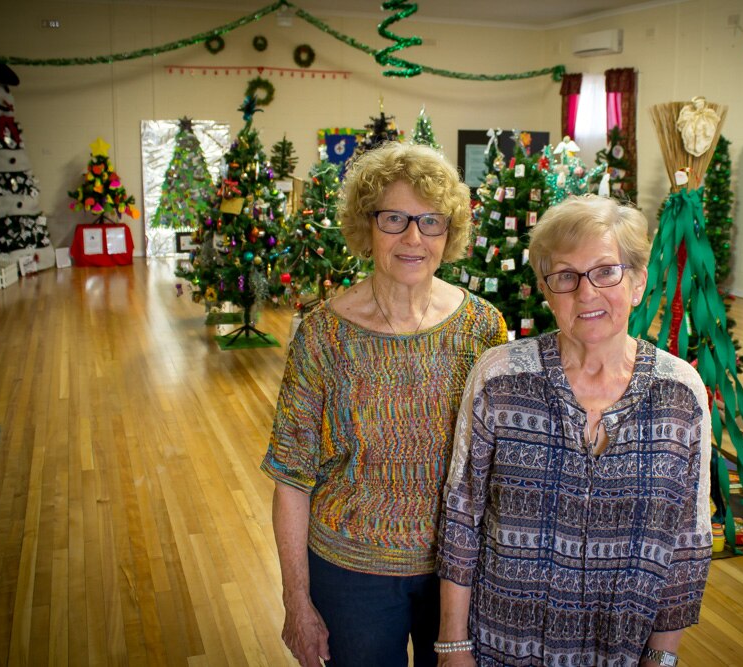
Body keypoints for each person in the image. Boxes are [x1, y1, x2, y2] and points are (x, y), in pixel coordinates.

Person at [435, 195, 712, 667]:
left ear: (638, 282)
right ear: (546, 290)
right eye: (565, 276)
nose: (586, 293)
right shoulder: (500, 377)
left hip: (621, 652)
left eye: (606, 271)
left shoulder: (681, 392)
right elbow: (462, 514)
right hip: (502, 647)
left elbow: (687, 540)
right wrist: (452, 644)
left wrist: (662, 659)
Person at [261, 142, 507, 667]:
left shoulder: (483, 327)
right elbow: (290, 476)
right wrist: (295, 601)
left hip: (458, 572)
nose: (413, 238)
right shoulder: (324, 334)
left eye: (430, 221)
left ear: (450, 231)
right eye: (394, 219)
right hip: (352, 576)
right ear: (365, 225)